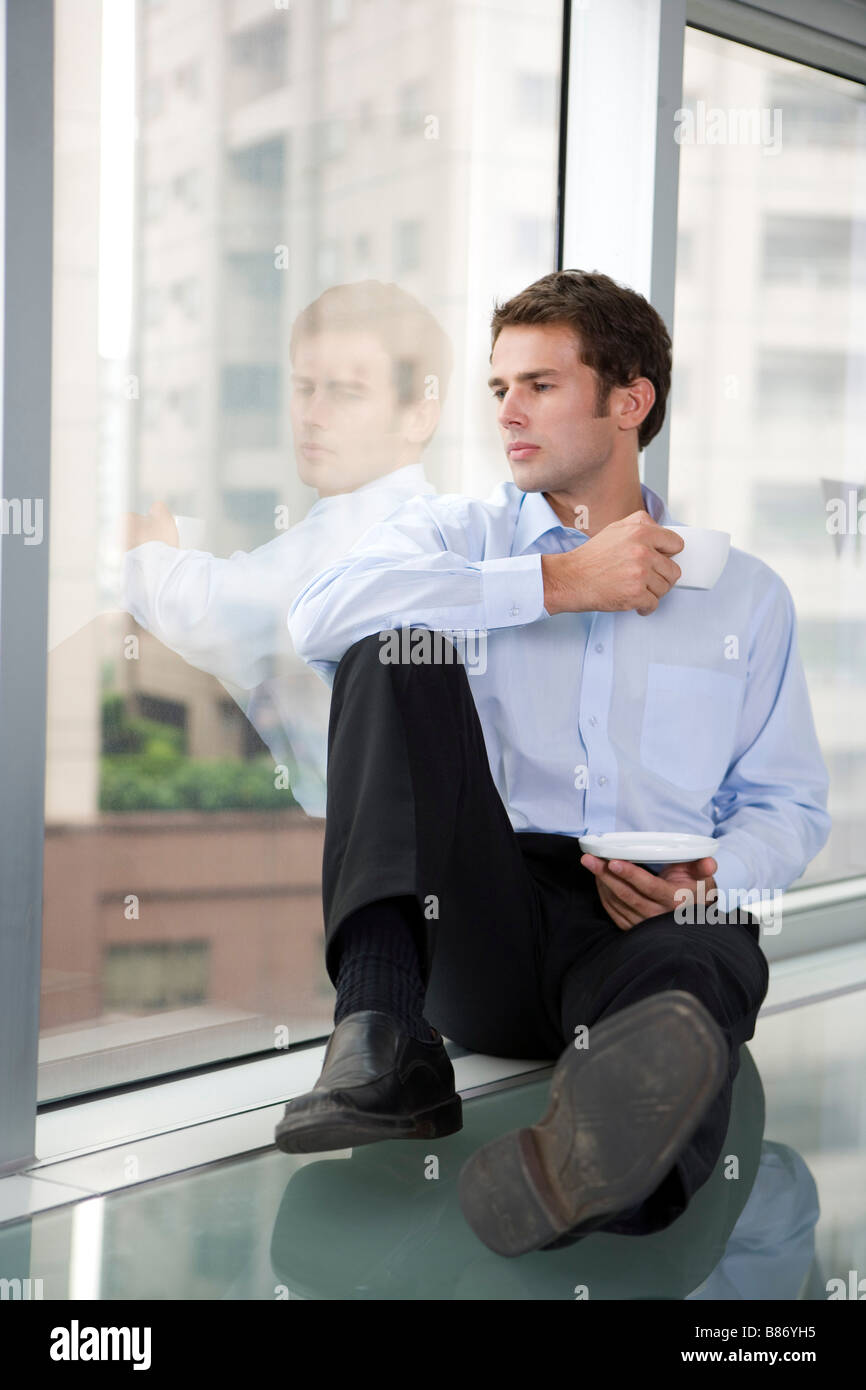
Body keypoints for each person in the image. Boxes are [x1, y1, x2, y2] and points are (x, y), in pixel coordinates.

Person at [275, 268, 831, 1258]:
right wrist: (551, 581)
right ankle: (378, 1038)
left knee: (706, 961)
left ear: (629, 400)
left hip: (642, 927)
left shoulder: (741, 595)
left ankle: (581, 1171)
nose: (507, 412)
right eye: (497, 389)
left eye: (538, 384)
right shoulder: (461, 538)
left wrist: (709, 881)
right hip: (478, 915)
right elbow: (317, 616)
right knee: (391, 646)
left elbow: (785, 805)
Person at [121, 280, 451, 815]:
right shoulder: (426, 521)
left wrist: (148, 554)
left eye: (346, 391)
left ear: (419, 415)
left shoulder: (365, 528)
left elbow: (214, 617)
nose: (313, 414)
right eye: (304, 387)